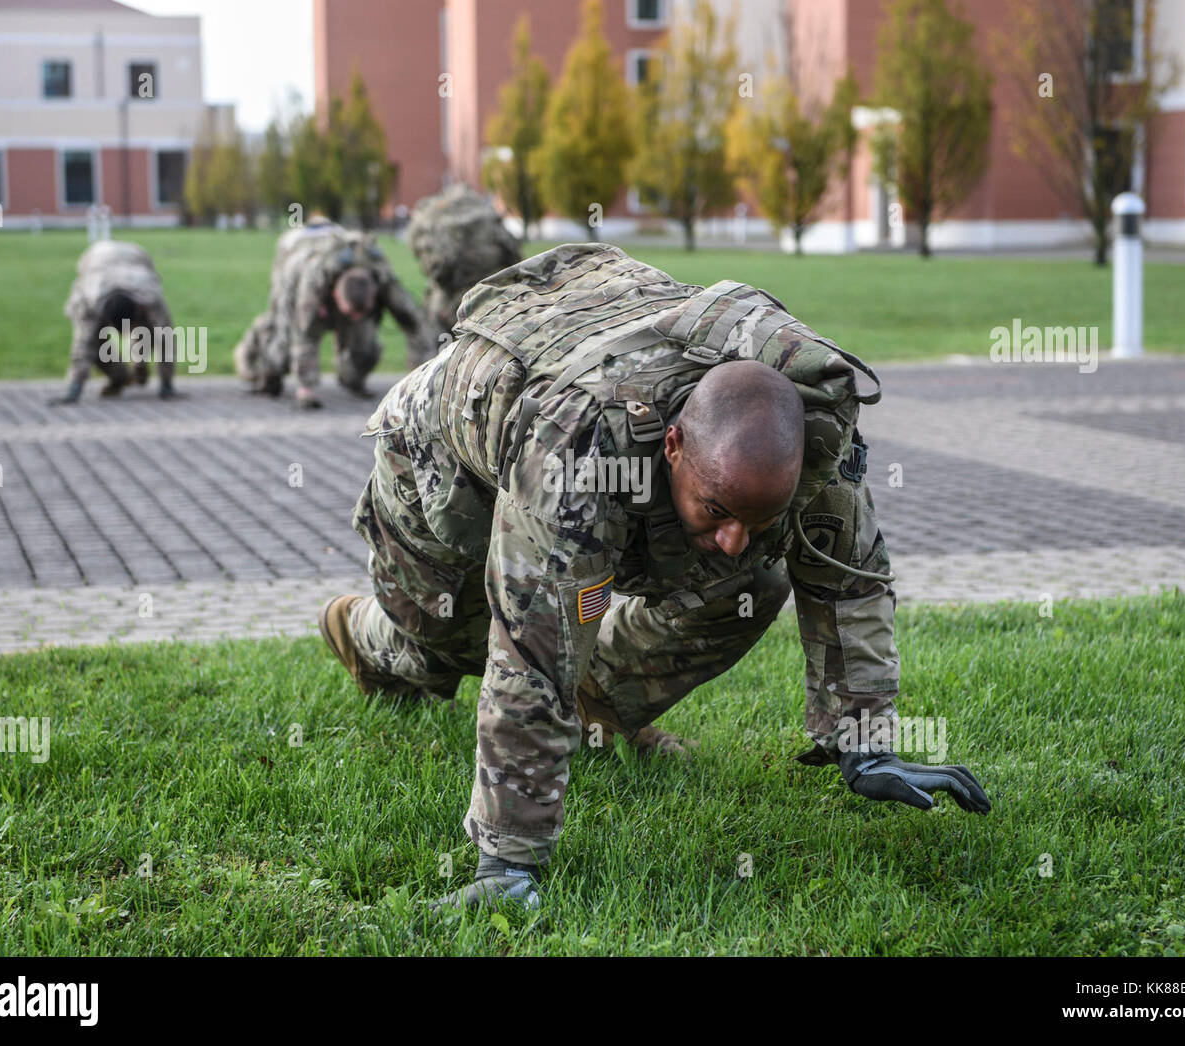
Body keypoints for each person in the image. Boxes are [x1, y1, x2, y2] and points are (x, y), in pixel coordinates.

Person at [317, 243, 990, 911]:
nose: (733, 539)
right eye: (719, 511)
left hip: (593, 414)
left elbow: (851, 577)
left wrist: (864, 742)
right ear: (673, 446)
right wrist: (507, 863)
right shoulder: (579, 450)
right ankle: (360, 628)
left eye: (757, 517)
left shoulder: (810, 433)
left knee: (751, 584)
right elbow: (533, 652)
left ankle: (599, 713)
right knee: (451, 647)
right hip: (441, 453)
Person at [234, 220, 435, 409]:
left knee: (364, 347)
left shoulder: (383, 278)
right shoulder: (313, 281)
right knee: (283, 345)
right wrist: (305, 390)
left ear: (374, 294)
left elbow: (415, 325)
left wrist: (422, 382)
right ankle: (262, 367)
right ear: (335, 295)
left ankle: (352, 380)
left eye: (360, 314)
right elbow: (304, 334)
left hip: (334, 240)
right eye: (349, 313)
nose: (355, 319)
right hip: (296, 252)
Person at [53, 240, 175, 404]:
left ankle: (139, 365)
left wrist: (166, 384)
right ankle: (119, 376)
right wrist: (74, 389)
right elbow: (83, 346)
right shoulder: (88, 302)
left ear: (139, 308)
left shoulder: (149, 297)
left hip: (137, 256)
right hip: (93, 260)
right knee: (94, 340)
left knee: (150, 329)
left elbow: (165, 337)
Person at [406, 184, 521, 338]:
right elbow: (513, 253)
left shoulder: (437, 221)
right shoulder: (487, 217)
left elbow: (437, 266)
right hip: (494, 292)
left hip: (457, 298)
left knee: (440, 343)